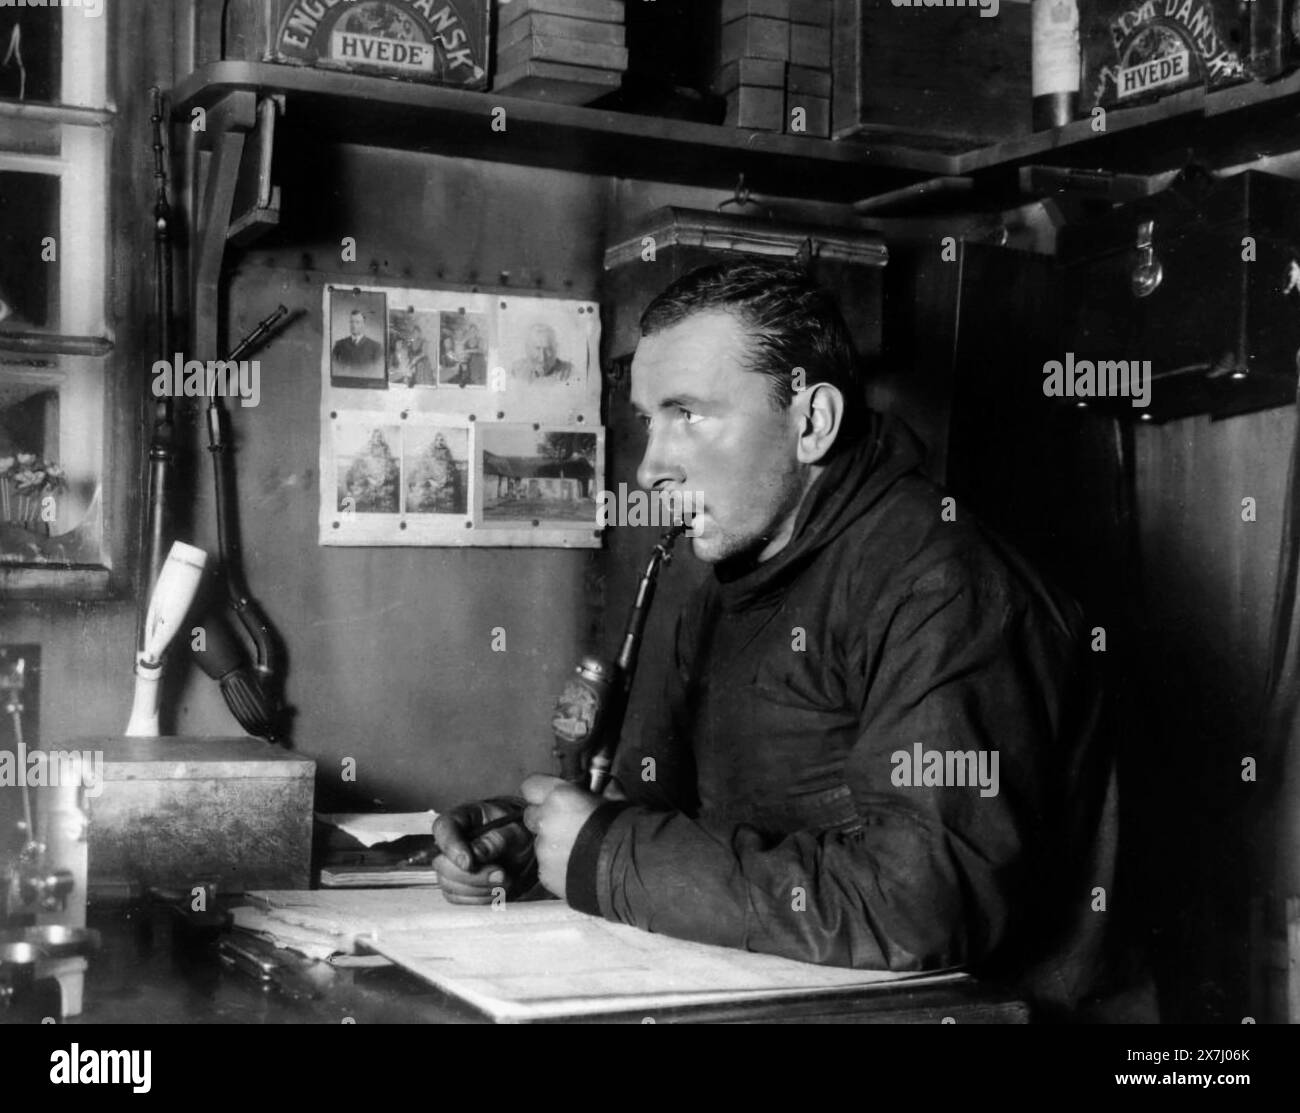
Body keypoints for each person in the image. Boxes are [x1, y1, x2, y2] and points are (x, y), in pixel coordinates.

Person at [433, 260, 1119, 1017]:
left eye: (688, 414)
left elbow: (922, 902)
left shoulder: (943, 589)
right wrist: (532, 837)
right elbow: (673, 816)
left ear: (811, 422)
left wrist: (606, 855)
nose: (651, 466)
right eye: (646, 421)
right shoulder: (732, 585)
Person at [332, 309, 384, 377]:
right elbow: (332, 368)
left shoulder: (376, 347)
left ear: (364, 324)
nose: (353, 325)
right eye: (351, 322)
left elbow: (377, 372)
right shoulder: (339, 344)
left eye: (357, 322)